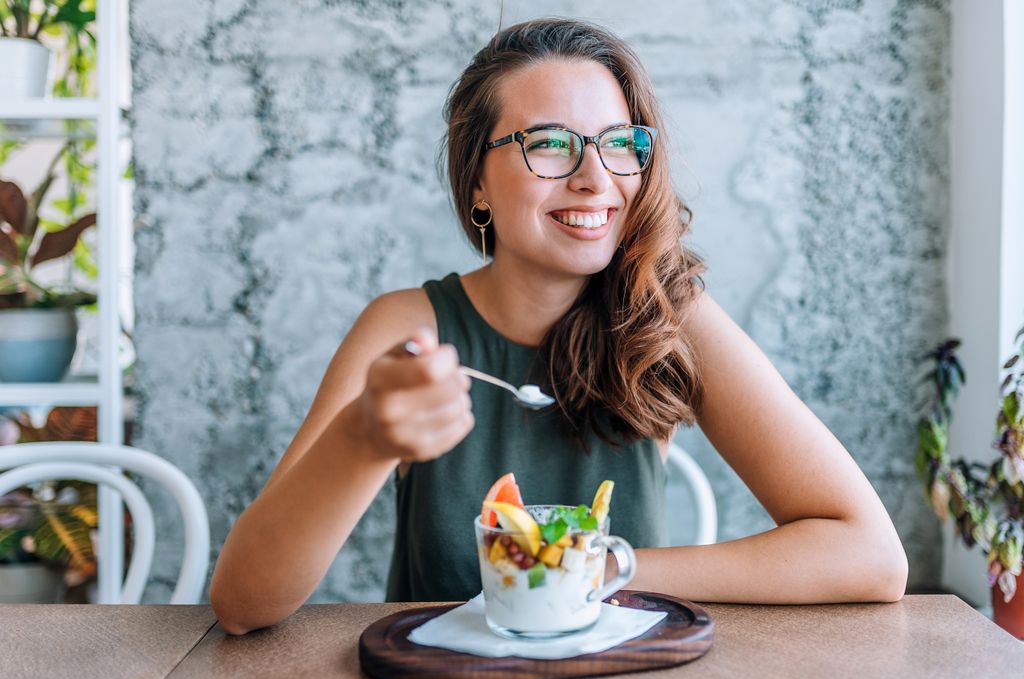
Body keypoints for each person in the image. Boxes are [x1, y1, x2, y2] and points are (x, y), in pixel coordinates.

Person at [210, 18, 908, 635]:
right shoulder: (408, 324)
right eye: (549, 143)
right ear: (476, 181)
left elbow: (870, 555)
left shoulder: (667, 315)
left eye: (618, 143)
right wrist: (362, 438)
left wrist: (610, 566)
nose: (593, 177)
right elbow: (244, 602)